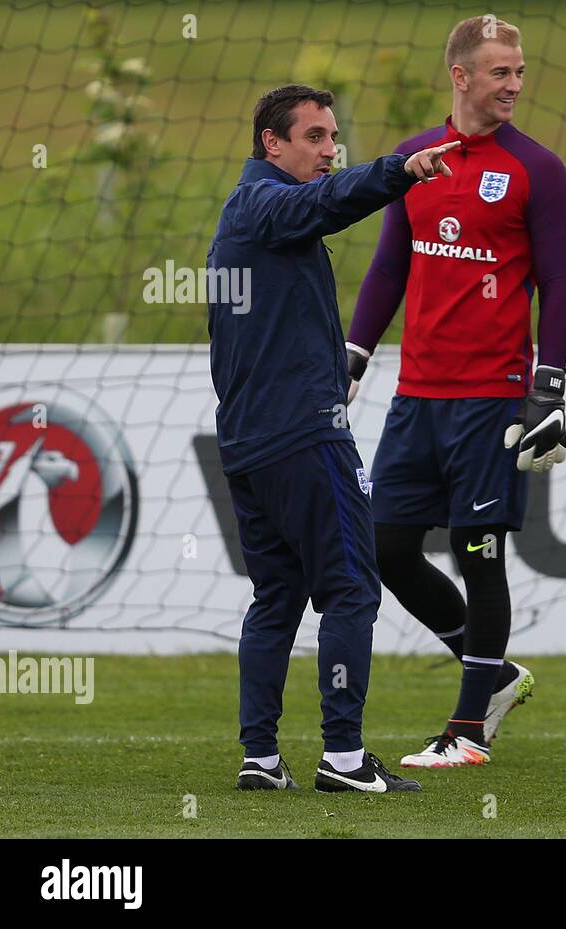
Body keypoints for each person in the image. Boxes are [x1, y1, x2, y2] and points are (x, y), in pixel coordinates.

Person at [208, 83, 457, 792]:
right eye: (314, 137)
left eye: (332, 136)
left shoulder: (246, 215)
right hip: (301, 438)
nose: (328, 149)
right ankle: (344, 757)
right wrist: (398, 170)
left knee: (277, 597)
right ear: (272, 143)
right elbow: (321, 204)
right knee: (350, 587)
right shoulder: (264, 206)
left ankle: (260, 758)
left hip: (250, 443)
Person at [346, 15, 566, 768]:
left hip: (493, 394)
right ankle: (497, 675)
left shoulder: (538, 169)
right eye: (499, 72)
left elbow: (558, 286)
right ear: (462, 77)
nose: (513, 84)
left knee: (481, 551)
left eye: (519, 71)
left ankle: (469, 728)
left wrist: (548, 388)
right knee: (386, 547)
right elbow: (389, 265)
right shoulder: (415, 157)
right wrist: (354, 352)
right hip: (418, 392)